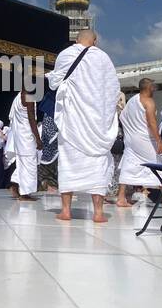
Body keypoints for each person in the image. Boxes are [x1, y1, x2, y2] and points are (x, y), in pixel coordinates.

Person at [47, 28, 120, 223]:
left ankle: (66, 211)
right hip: (96, 123)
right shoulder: (103, 58)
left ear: (77, 40)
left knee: (69, 163)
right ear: (94, 41)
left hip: (73, 122)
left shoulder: (66, 54)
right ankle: (97, 213)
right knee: (97, 164)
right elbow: (113, 90)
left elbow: (54, 83)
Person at [116, 79, 162, 208]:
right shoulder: (148, 101)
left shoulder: (132, 100)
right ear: (149, 88)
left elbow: (122, 117)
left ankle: (121, 198)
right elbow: (152, 123)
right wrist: (159, 141)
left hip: (131, 140)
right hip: (145, 139)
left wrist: (131, 131)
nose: (154, 89)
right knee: (159, 166)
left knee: (128, 165)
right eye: (153, 86)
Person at [4, 90, 42, 200]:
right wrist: (38, 138)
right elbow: (31, 118)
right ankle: (25, 194)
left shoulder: (18, 96)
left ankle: (15, 185)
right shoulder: (29, 96)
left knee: (22, 162)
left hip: (19, 135)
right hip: (27, 135)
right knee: (29, 162)